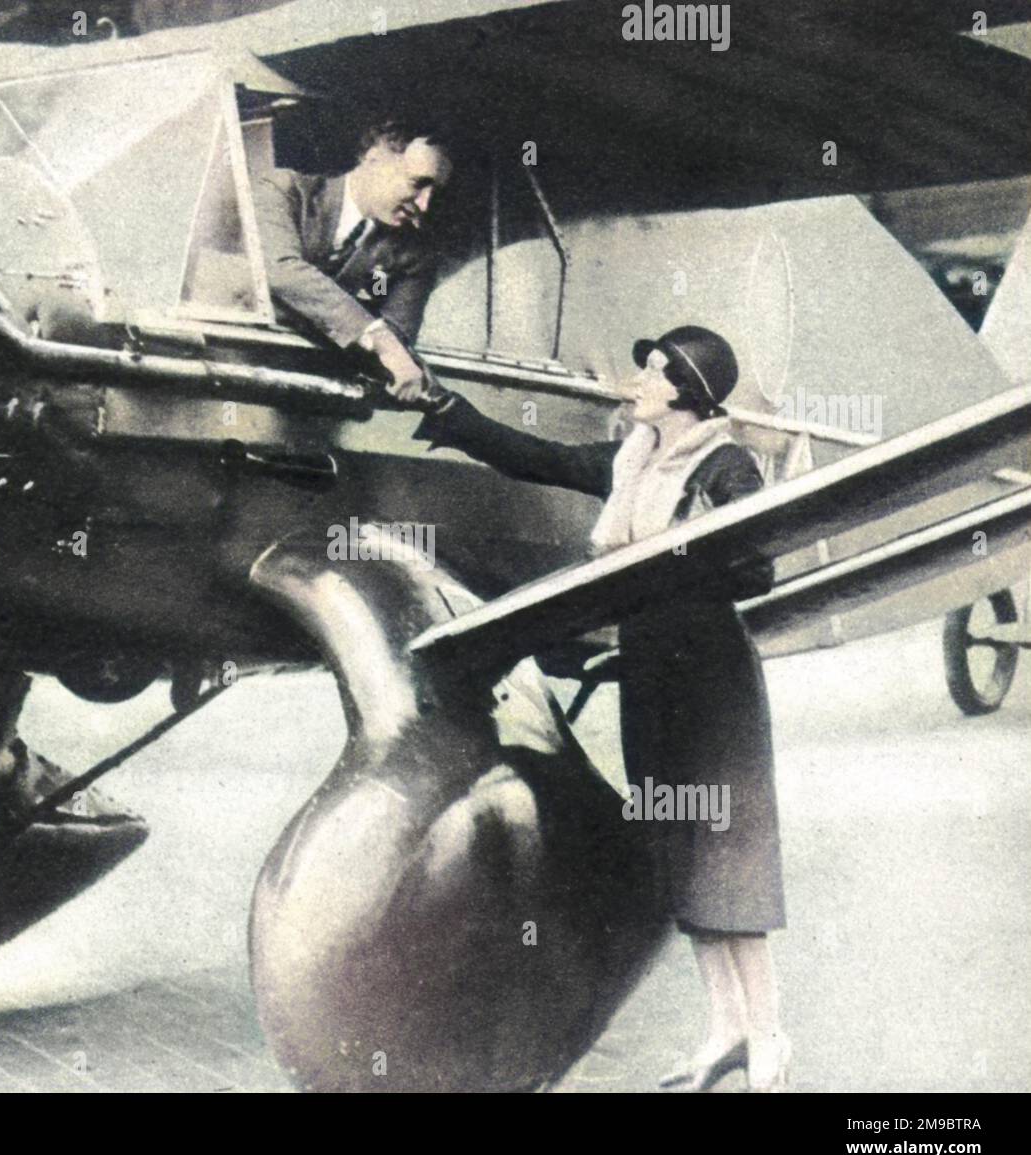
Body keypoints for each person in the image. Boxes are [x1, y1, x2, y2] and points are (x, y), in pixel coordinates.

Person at [415, 325, 792, 1092]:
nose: (636, 383)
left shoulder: (725, 464)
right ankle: (725, 1029)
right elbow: (539, 460)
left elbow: (755, 567)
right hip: (652, 669)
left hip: (707, 674)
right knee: (679, 852)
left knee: (725, 853)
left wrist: (672, 561)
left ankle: (771, 1038)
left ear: (684, 387)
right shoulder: (634, 460)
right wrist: (449, 412)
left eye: (650, 372)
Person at [251, 118, 453, 404]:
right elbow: (281, 270)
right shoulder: (284, 190)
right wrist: (373, 334)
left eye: (435, 192)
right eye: (418, 184)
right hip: (238, 366)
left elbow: (398, 336)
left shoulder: (413, 252)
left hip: (319, 397)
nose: (424, 204)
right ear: (375, 158)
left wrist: (381, 340)